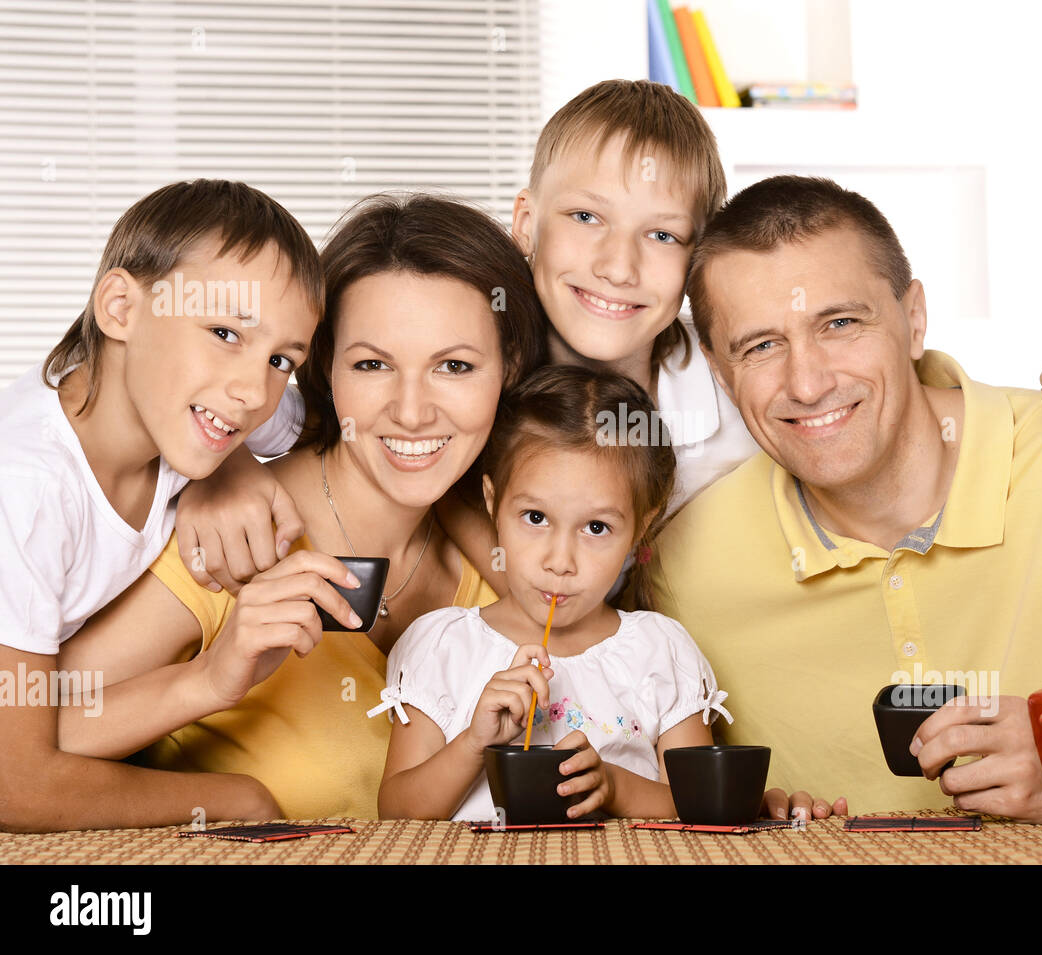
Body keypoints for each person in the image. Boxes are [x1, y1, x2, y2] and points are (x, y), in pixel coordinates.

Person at [177, 80, 1042, 596]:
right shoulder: (461, 341)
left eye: (660, 236)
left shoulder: (733, 398)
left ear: (695, 262)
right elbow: (282, 402)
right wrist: (221, 474)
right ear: (524, 219)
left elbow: (870, 400)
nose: (617, 264)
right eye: (584, 220)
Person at [650, 174, 1042, 823]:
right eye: (761, 345)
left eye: (840, 322)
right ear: (718, 370)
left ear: (913, 320)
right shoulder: (679, 565)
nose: (809, 381)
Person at [54, 193, 549, 822]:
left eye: (454, 366)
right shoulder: (234, 539)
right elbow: (28, 736)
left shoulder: (511, 569)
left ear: (506, 371)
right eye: (373, 364)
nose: (412, 411)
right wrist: (211, 680)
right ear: (324, 371)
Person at [0, 179, 322, 832]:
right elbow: (16, 786)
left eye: (282, 358)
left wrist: (230, 466)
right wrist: (239, 798)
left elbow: (333, 426)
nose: (253, 390)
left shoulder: (213, 396)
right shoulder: (28, 486)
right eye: (226, 330)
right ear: (120, 307)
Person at [374, 365, 727, 822]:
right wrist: (473, 742)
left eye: (596, 527)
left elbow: (702, 806)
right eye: (535, 518)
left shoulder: (661, 651)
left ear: (641, 526)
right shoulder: (441, 646)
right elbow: (396, 815)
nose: (560, 560)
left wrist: (616, 787)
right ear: (492, 501)